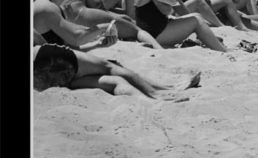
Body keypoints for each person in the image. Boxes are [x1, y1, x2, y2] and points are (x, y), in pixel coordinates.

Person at [34, 42, 195, 100]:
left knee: (114, 82)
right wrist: (98, 43)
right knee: (110, 66)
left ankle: (145, 100)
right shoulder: (47, 7)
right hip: (44, 56)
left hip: (43, 81)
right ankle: (156, 92)